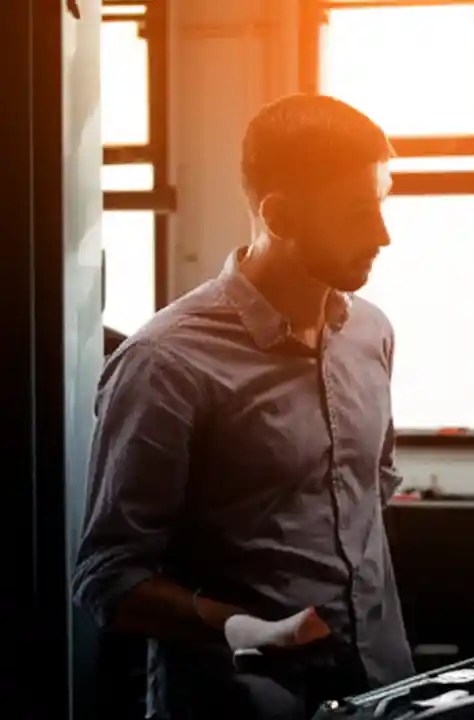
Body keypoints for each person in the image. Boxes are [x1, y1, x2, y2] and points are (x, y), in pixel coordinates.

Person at [72, 94, 413, 719]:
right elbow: (107, 579)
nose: (383, 235)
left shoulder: (373, 333)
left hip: (382, 698)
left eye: (382, 204)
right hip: (236, 706)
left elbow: (372, 495)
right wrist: (241, 629)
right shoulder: (165, 362)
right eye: (357, 213)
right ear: (279, 216)